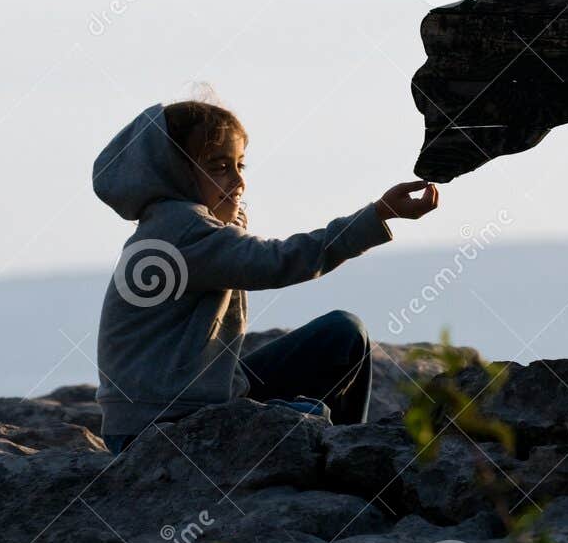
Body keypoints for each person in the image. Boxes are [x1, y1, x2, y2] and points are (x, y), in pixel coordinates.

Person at [92, 99, 439, 453]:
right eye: (220, 167)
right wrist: (378, 215)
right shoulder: (182, 231)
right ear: (175, 172)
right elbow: (277, 261)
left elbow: (237, 247)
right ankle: (349, 455)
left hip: (191, 400)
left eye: (240, 165)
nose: (239, 180)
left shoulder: (182, 227)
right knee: (306, 417)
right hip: (160, 424)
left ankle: (349, 449)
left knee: (344, 334)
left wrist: (231, 217)